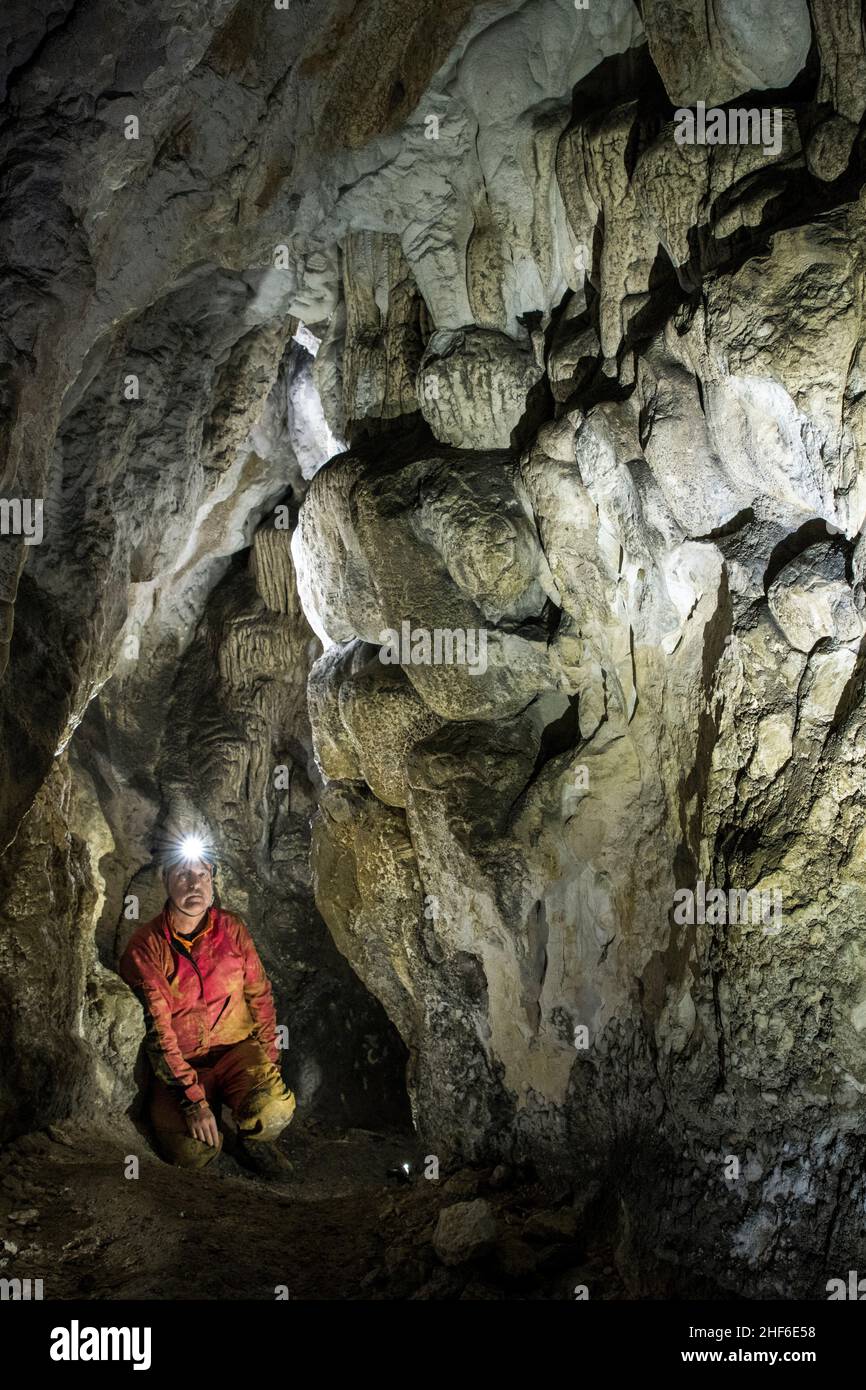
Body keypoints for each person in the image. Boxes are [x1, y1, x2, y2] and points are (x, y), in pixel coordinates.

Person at [120, 839, 296, 1177]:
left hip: (236, 1053)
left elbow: (260, 997)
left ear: (212, 880)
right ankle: (218, 1128)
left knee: (272, 1107)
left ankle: (253, 1138)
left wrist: (268, 1064)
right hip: (181, 1066)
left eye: (202, 875)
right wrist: (192, 1099)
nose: (194, 884)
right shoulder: (146, 947)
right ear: (166, 881)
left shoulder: (232, 929)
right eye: (184, 875)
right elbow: (159, 1032)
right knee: (192, 1152)